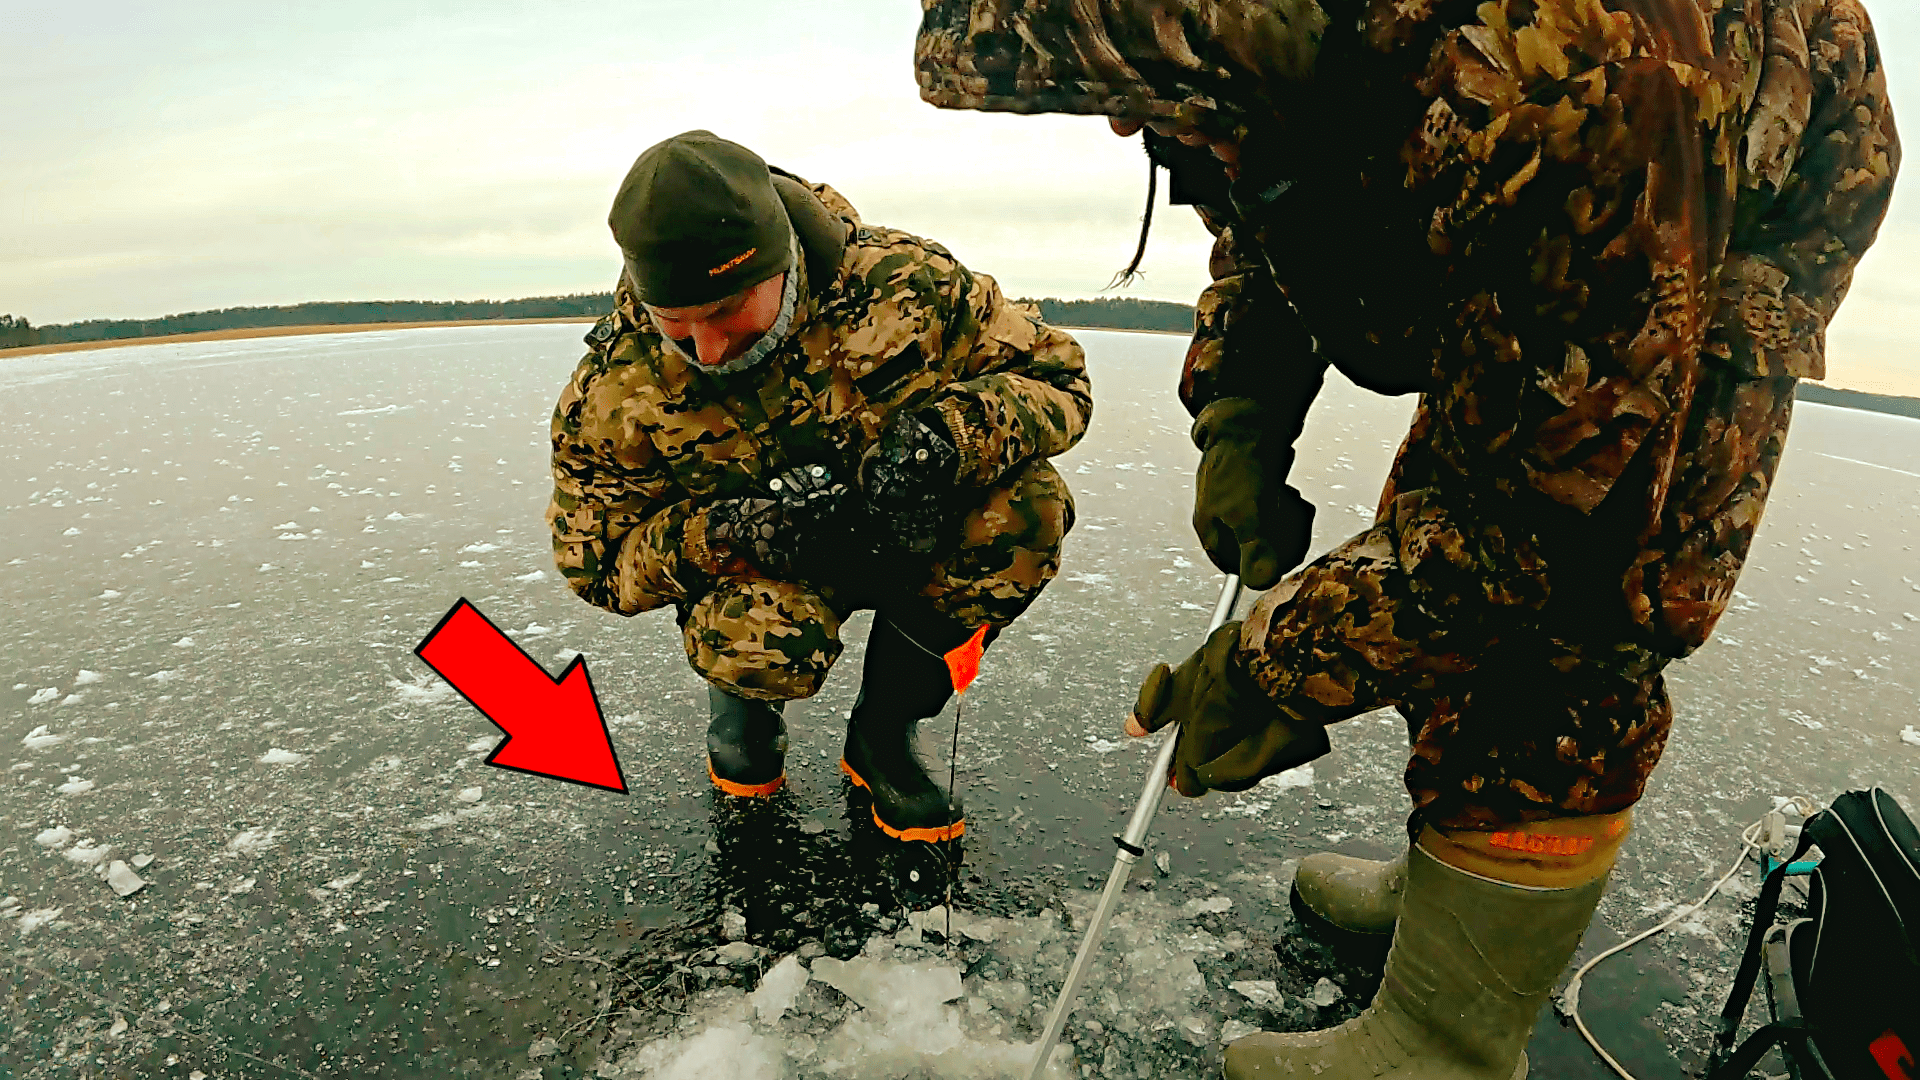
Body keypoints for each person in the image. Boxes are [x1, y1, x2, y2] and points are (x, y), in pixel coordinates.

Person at [913, 2, 1897, 1076]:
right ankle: (1458, 889)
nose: (1122, 130)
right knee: (1458, 499)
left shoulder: (1577, 82)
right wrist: (1244, 407)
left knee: (1586, 604)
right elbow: (1283, 186)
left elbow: (1528, 520)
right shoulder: (1280, 42)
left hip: (1713, 195)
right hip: (1548, 146)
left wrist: (1268, 668)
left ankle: (1450, 1035)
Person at [547, 130, 1091, 847]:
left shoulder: (907, 282)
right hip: (773, 575)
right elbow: (595, 564)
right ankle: (744, 725)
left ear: (781, 263)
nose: (707, 350)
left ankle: (884, 735)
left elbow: (1061, 380)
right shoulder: (615, 389)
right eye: (674, 323)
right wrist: (720, 534)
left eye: (724, 312)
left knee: (1028, 513)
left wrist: (954, 436)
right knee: (758, 641)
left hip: (912, 536)